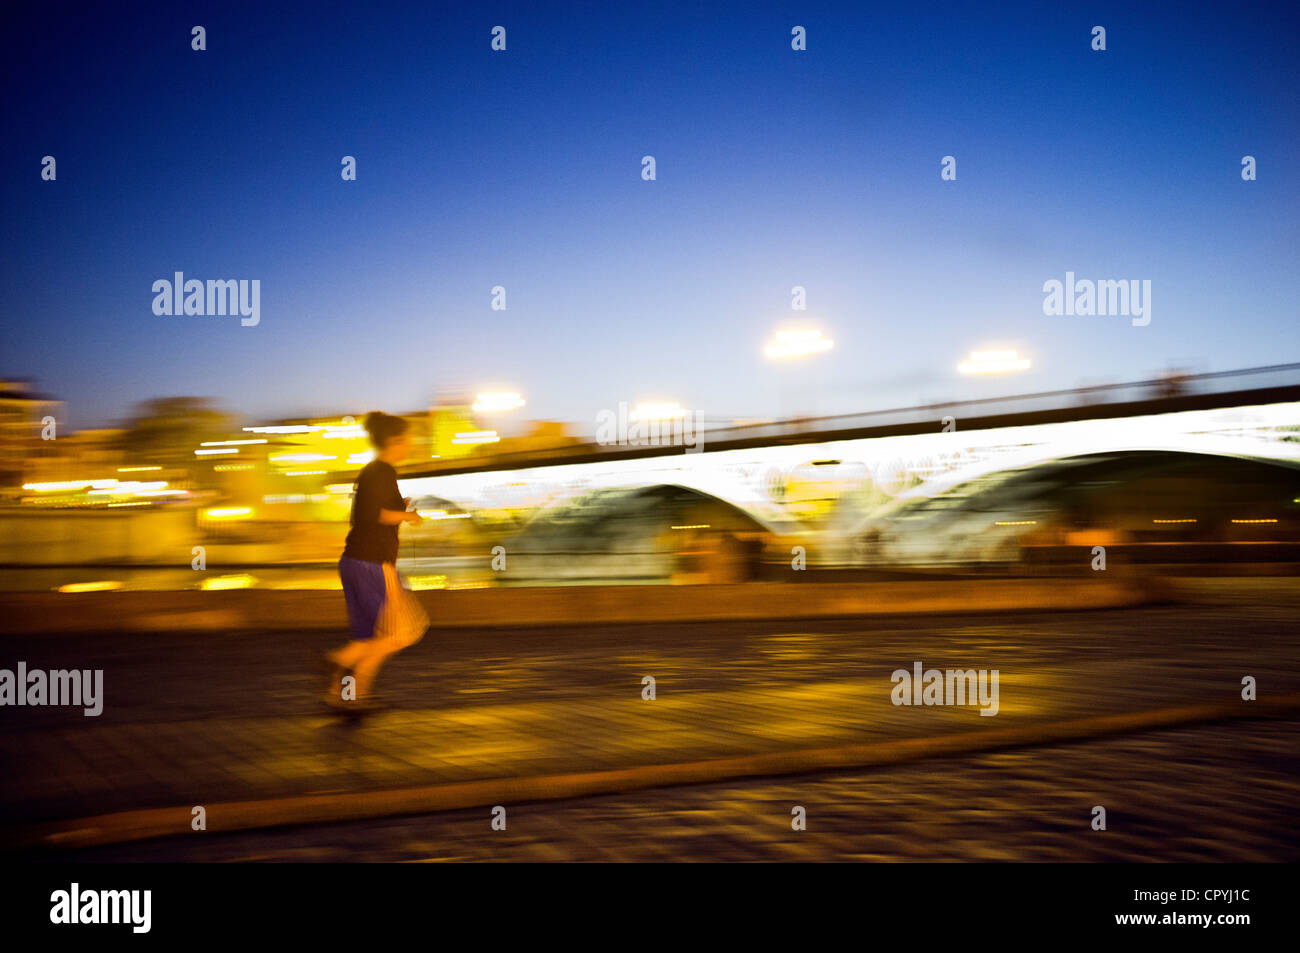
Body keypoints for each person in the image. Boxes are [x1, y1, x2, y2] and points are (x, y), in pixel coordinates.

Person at [325, 411, 429, 711]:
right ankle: (339, 664)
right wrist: (409, 515)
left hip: (355, 561)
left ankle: (346, 695)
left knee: (371, 636)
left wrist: (401, 507)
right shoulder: (383, 471)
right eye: (407, 438)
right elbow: (376, 515)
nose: (410, 443)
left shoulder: (372, 472)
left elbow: (360, 516)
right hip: (373, 563)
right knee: (403, 631)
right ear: (394, 440)